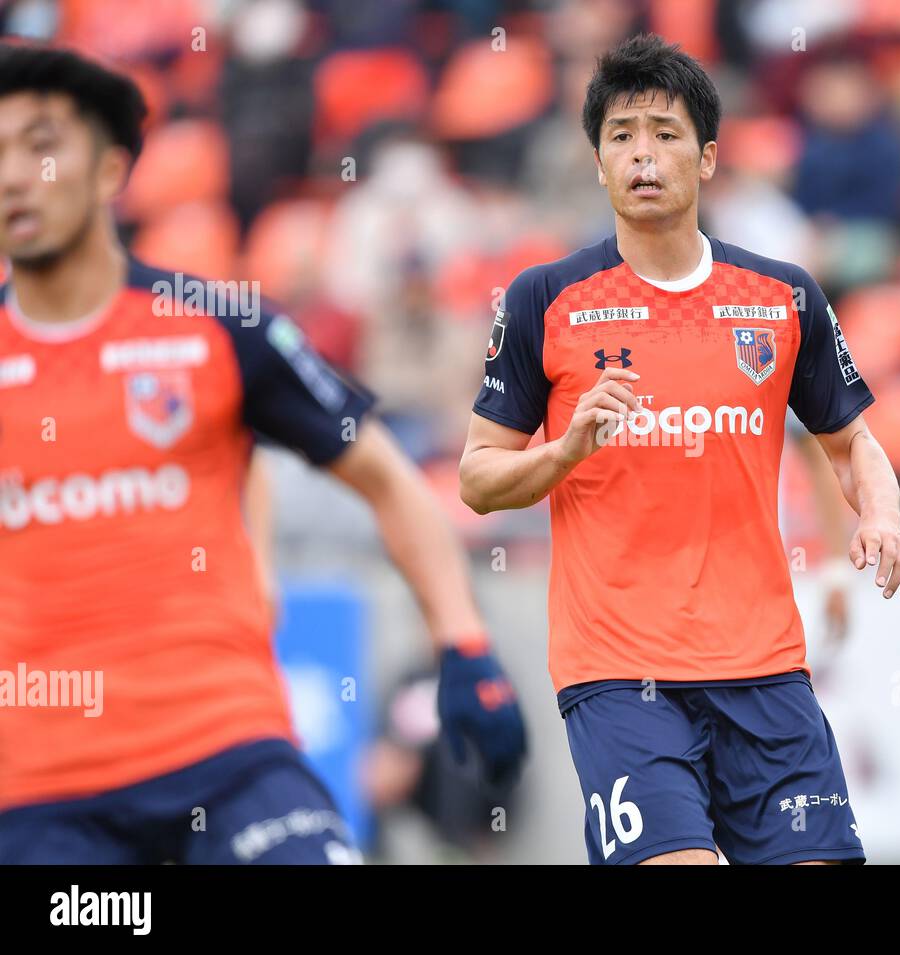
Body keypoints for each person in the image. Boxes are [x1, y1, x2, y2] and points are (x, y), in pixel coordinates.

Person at [0, 43, 525, 864]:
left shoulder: (215, 327)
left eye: (38, 144)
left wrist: (463, 642)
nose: (12, 176)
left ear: (108, 169)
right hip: (39, 799)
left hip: (228, 757)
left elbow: (387, 478)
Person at [460, 33, 900, 865]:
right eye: (622, 135)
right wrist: (565, 451)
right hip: (620, 675)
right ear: (597, 162)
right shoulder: (545, 300)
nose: (643, 154)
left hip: (768, 671)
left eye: (665, 134)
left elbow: (851, 443)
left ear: (707, 159)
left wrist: (880, 514)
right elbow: (478, 478)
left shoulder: (783, 296)